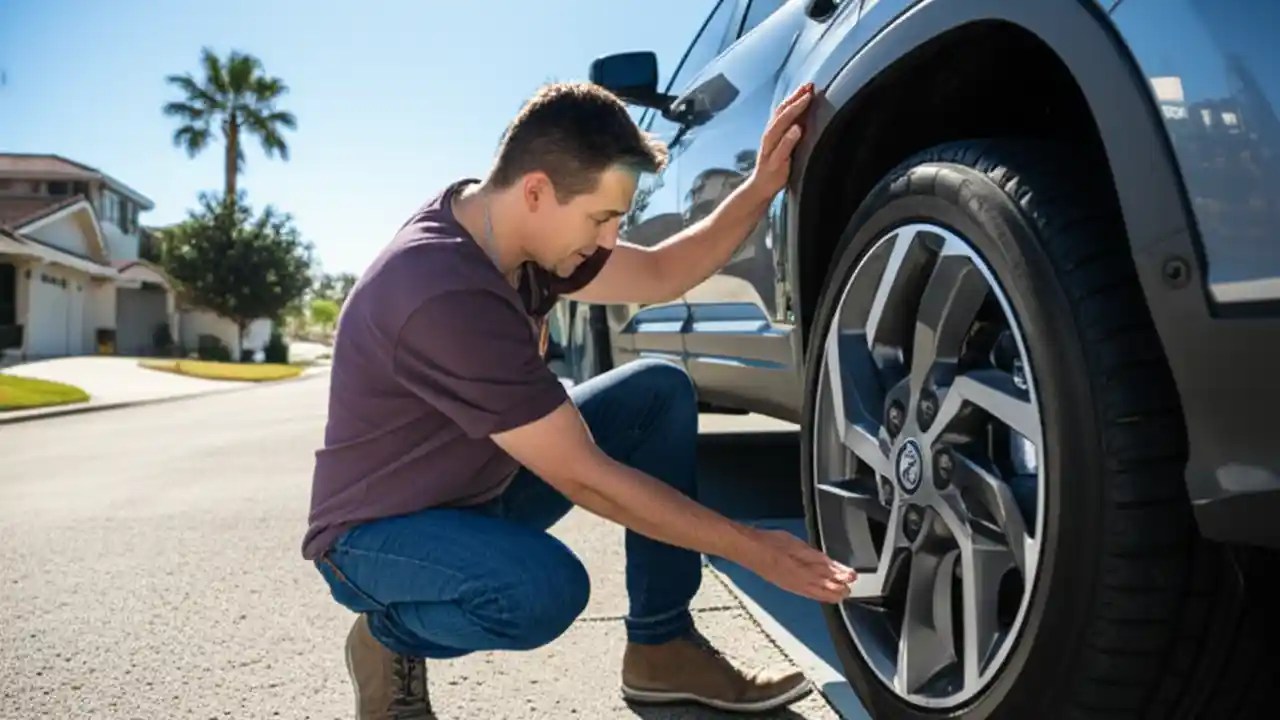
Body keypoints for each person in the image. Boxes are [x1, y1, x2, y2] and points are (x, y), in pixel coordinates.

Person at [303, 80, 856, 719]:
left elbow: (659, 273)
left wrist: (759, 187)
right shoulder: (440, 289)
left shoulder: (520, 234)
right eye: (601, 219)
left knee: (657, 394)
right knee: (541, 591)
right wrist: (753, 547)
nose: (606, 241)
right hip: (377, 534)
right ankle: (385, 637)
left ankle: (663, 649)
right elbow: (585, 476)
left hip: (478, 491)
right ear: (536, 190)